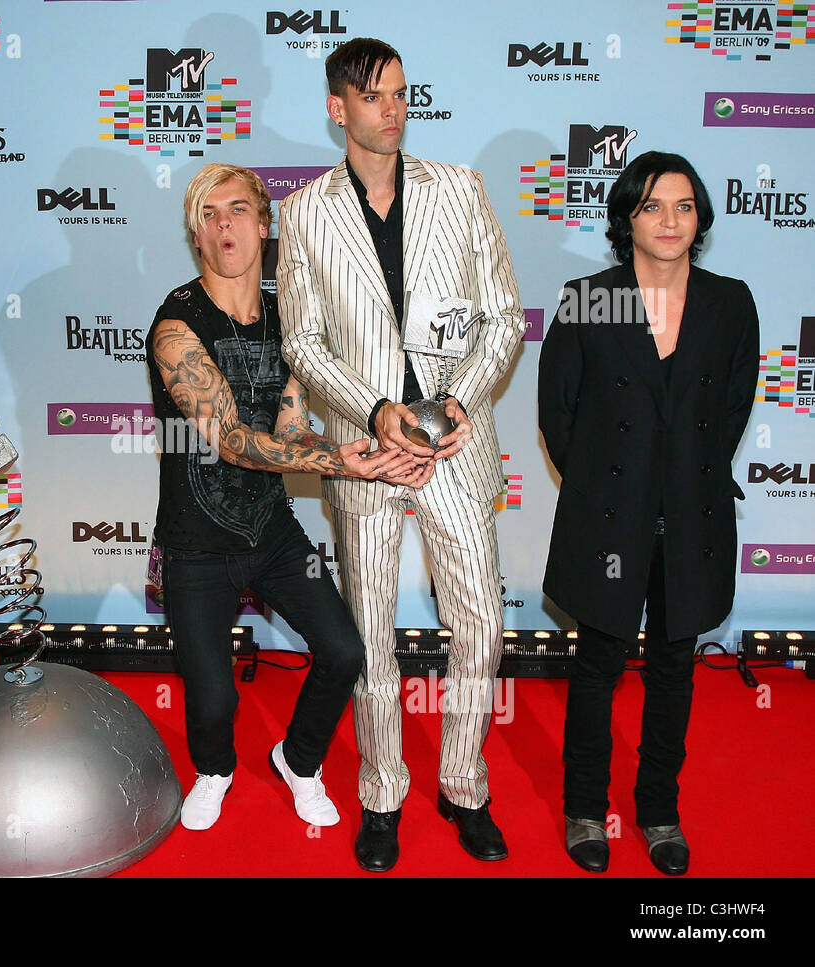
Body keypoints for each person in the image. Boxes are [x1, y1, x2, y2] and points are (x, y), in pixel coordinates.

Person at [277, 38, 525, 872]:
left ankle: (464, 784)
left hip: (455, 437)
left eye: (400, 93)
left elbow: (503, 319)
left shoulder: (460, 190)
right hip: (365, 450)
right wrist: (376, 409)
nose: (393, 109)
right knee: (371, 633)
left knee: (481, 626)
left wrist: (460, 398)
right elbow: (304, 344)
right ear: (335, 108)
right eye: (373, 96)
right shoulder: (304, 212)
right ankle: (381, 792)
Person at [148, 163, 414, 833]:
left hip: (271, 530)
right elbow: (233, 439)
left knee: (344, 650)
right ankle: (214, 767)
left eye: (237, 209)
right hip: (196, 544)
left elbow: (290, 423)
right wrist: (336, 461)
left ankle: (298, 759)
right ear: (196, 234)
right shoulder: (176, 324)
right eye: (208, 214)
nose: (224, 223)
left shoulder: (287, 317)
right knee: (211, 700)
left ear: (265, 227)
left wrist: (351, 452)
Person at [538, 151, 759, 876]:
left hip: (692, 517)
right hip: (607, 515)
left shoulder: (730, 302)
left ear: (701, 218)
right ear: (626, 217)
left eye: (684, 206)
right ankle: (582, 808)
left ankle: (659, 809)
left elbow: (730, 410)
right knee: (597, 663)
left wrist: (677, 483)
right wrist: (616, 487)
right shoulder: (589, 298)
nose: (670, 220)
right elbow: (558, 415)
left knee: (674, 667)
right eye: (652, 206)